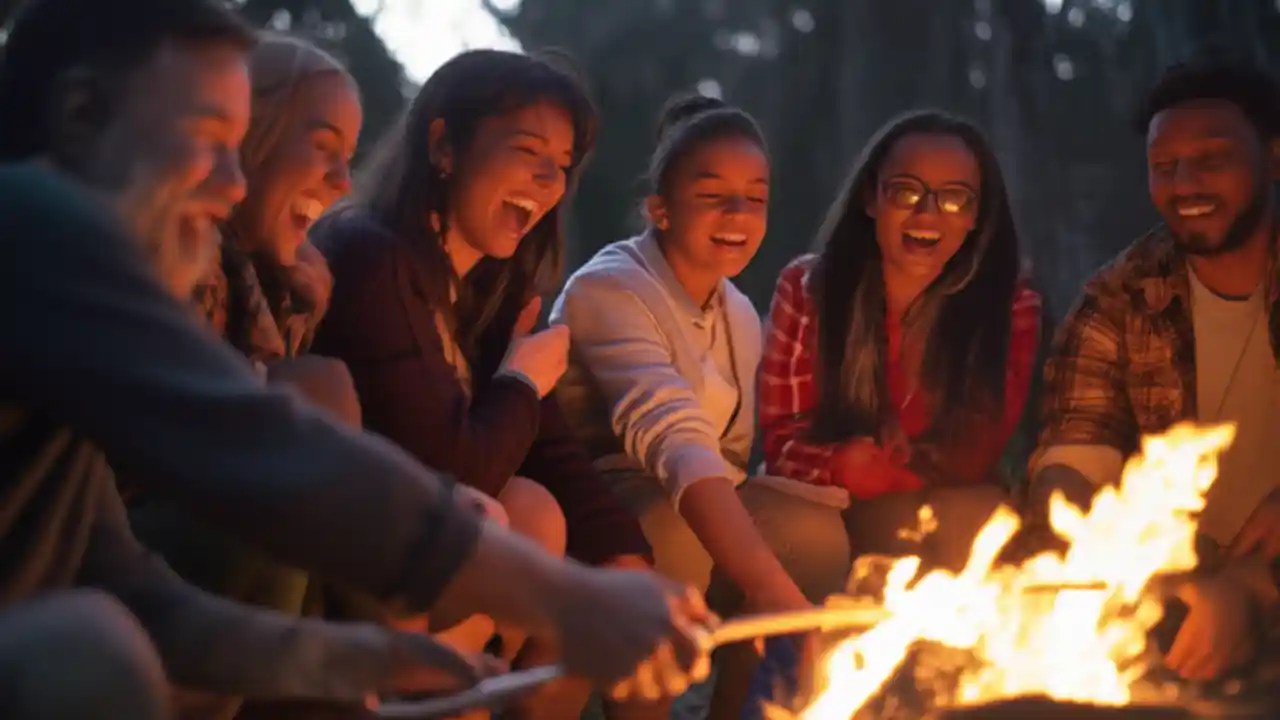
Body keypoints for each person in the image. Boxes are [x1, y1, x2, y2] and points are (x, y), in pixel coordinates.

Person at [0, 1, 708, 717]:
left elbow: (137, 589)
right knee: (84, 648)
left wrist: (364, 661)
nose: (233, 180)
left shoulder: (60, 367)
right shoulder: (28, 228)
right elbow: (268, 446)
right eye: (209, 138)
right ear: (82, 111)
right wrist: (566, 598)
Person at [308, 49, 660, 717]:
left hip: (445, 556)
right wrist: (521, 383)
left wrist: (626, 562)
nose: (548, 177)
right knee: (524, 518)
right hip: (358, 565)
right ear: (443, 145)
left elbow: (552, 451)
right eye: (528, 149)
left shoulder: (488, 294)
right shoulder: (372, 260)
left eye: (561, 165)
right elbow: (448, 468)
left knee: (556, 524)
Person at [740, 110, 1042, 716]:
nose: (927, 214)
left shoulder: (1009, 307)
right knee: (810, 536)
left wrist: (900, 471)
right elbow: (781, 435)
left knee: (963, 525)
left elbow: (979, 445)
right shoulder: (810, 287)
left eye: (955, 199)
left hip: (926, 494)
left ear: (979, 216)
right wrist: (845, 465)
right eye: (906, 191)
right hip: (819, 494)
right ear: (871, 198)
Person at [1029, 58, 1280, 682]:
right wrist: (1083, 548)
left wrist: (1255, 588)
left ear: (1273, 158)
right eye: (1164, 167)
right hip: (1174, 581)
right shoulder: (1120, 297)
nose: (1185, 183)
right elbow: (1073, 458)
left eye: (1212, 159)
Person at [553, 94, 807, 613]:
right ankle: (649, 691)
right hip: (598, 490)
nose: (737, 213)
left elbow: (731, 455)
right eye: (713, 194)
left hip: (695, 484)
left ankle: (768, 692)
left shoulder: (737, 311)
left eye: (755, 198)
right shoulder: (609, 289)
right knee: (674, 531)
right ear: (660, 209)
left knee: (808, 529)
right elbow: (672, 434)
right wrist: (772, 586)